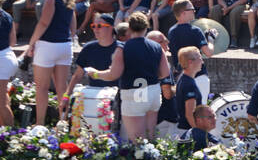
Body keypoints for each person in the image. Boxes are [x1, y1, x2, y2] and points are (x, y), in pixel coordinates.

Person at [86, 11, 169, 142]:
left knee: (137, 140)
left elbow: (113, 74)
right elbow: (165, 73)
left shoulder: (123, 48)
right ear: (146, 27)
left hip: (135, 93)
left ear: (129, 28)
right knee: (151, 135)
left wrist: (95, 73)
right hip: (153, 92)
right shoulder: (157, 47)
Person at [23, 0, 76, 124]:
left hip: (47, 46)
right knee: (62, 88)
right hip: (65, 46)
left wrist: (31, 43)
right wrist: (70, 39)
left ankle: (40, 124)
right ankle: (64, 121)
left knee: (42, 88)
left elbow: (44, 23)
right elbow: (73, 26)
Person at [64, 12, 119, 96]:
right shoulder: (88, 48)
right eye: (93, 26)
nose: (95, 29)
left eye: (99, 26)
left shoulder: (121, 49)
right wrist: (66, 96)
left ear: (111, 28)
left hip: (116, 95)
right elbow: (78, 75)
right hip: (94, 95)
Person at [166, 0, 213, 75]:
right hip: (199, 74)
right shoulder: (195, 30)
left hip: (181, 74)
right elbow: (208, 53)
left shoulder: (171, 31)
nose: (194, 11)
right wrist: (211, 40)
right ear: (183, 13)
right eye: (192, 9)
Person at [173, 46, 206, 132]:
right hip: (187, 130)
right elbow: (190, 114)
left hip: (183, 128)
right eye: (200, 59)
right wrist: (199, 132)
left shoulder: (184, 79)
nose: (202, 62)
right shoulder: (189, 84)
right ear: (190, 62)